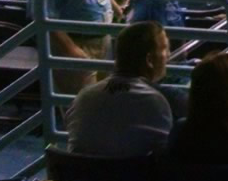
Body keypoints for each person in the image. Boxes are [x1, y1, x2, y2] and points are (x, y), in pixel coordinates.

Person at [67, 21, 179, 157]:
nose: (168, 54)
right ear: (149, 60)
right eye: (165, 48)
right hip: (132, 177)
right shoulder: (161, 101)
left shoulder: (83, 97)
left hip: (77, 176)